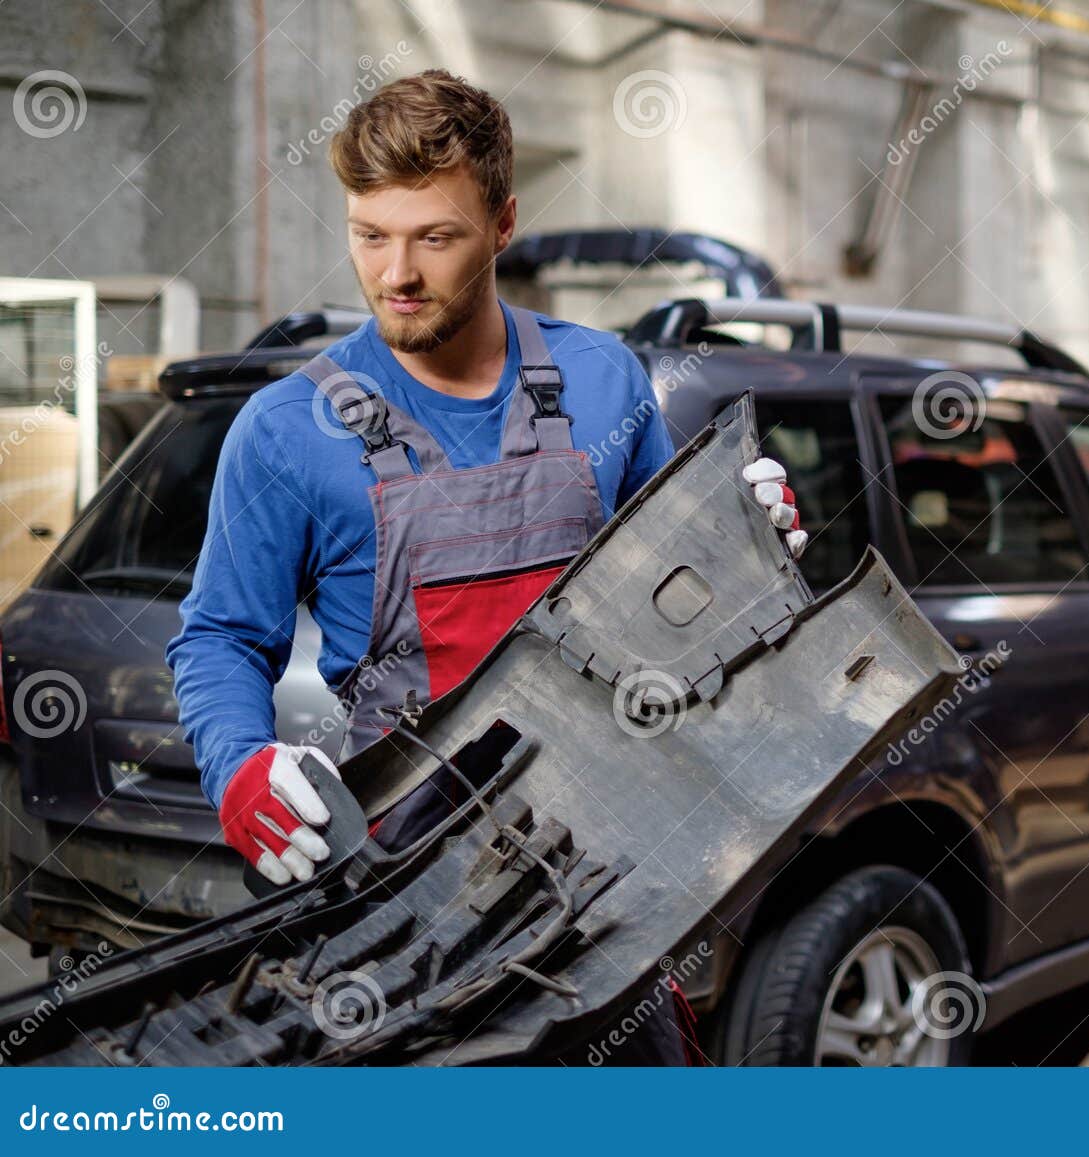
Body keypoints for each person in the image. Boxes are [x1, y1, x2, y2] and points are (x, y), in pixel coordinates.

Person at [166, 71, 804, 1063]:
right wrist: (240, 766)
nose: (396, 273)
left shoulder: (602, 379)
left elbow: (676, 587)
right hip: (412, 892)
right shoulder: (288, 431)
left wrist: (745, 531)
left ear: (503, 223)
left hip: (609, 870)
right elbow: (218, 638)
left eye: (435, 235)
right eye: (370, 234)